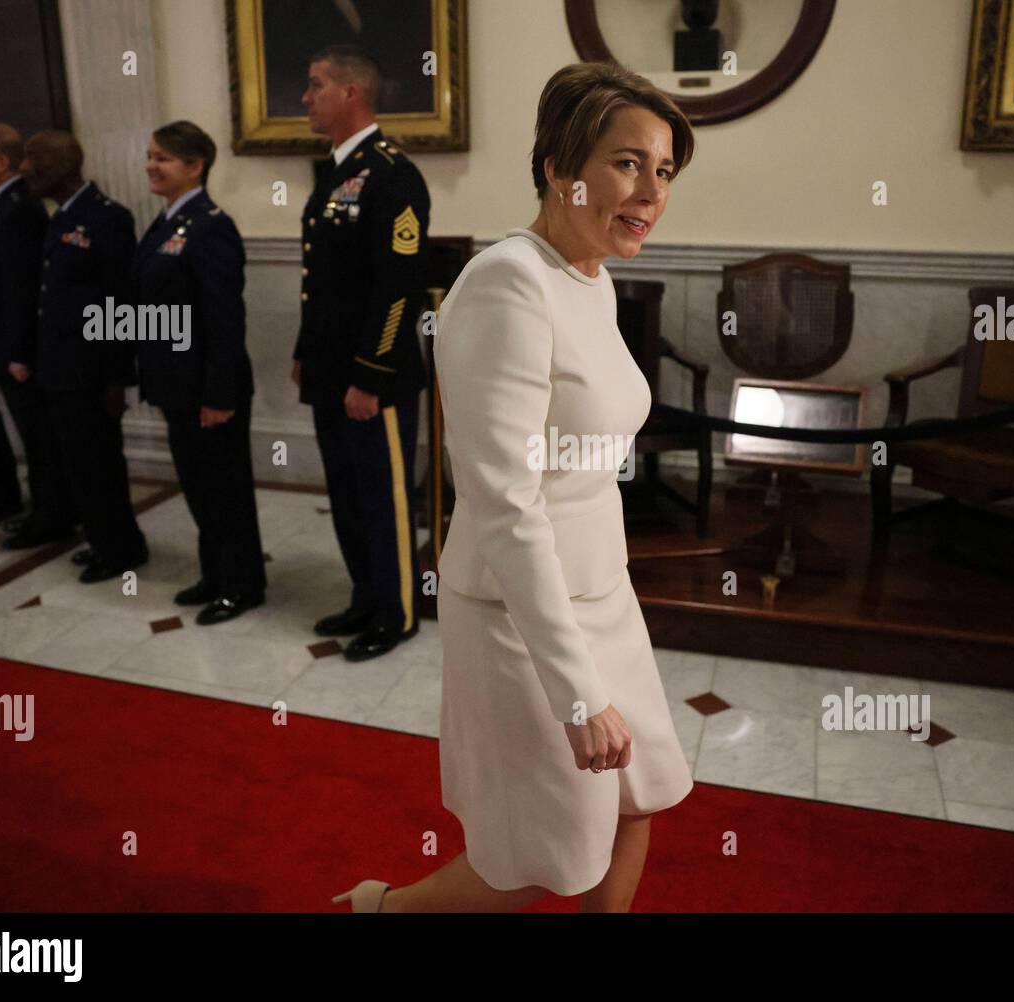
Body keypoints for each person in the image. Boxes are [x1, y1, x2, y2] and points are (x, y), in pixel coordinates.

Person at [332, 62, 695, 913]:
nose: (650, 191)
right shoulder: (507, 282)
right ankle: (382, 909)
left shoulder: (592, 276)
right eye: (627, 162)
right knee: (545, 850)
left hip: (602, 592)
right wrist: (576, 691)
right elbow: (503, 499)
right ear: (558, 164)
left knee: (638, 801)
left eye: (665, 170)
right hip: (521, 616)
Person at [295, 44, 430, 662]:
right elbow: (319, 282)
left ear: (350, 92)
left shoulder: (392, 174)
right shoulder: (334, 173)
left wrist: (370, 376)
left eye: (316, 85)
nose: (305, 97)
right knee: (346, 494)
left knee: (383, 495)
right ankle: (363, 595)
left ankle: (396, 612)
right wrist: (306, 351)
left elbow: (397, 288)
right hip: (330, 372)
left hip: (374, 377)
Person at [132, 120, 264, 624]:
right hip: (176, 385)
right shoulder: (166, 223)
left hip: (209, 390)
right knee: (199, 488)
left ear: (195, 166)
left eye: (163, 157)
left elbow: (225, 320)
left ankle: (242, 585)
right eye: (150, 154)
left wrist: (219, 393)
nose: (151, 165)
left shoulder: (210, 226)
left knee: (224, 491)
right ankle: (216, 574)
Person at [20, 130, 147, 580]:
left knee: (99, 466)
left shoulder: (107, 218)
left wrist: (117, 377)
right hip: (60, 368)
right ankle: (102, 540)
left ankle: (120, 550)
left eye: (33, 161)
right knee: (77, 463)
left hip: (91, 371)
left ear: (61, 167)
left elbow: (120, 301)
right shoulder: (59, 218)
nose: (24, 170)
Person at [0, 123, 71, 528]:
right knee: (31, 433)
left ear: (2, 162)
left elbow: (20, 290)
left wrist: (19, 352)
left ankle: (52, 513)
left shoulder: (18, 208)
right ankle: (45, 508)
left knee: (39, 436)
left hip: (15, 346)